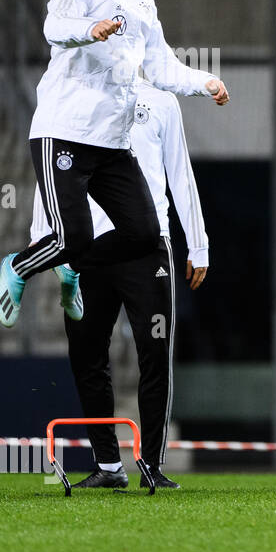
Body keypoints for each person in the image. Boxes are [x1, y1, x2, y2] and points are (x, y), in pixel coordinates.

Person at [0, 0, 228, 328]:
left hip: (111, 143)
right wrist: (91, 29)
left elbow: (160, 69)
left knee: (143, 233)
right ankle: (18, 266)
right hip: (63, 134)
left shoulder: (143, 3)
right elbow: (54, 27)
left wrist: (205, 81)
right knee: (73, 236)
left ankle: (71, 267)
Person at [30, 81, 209, 489]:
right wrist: (39, 234)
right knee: (86, 353)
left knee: (154, 349)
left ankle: (152, 463)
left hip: (147, 248)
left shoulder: (162, 101)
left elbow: (181, 173)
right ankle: (109, 464)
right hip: (87, 249)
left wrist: (198, 244)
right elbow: (49, 174)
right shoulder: (71, 100)